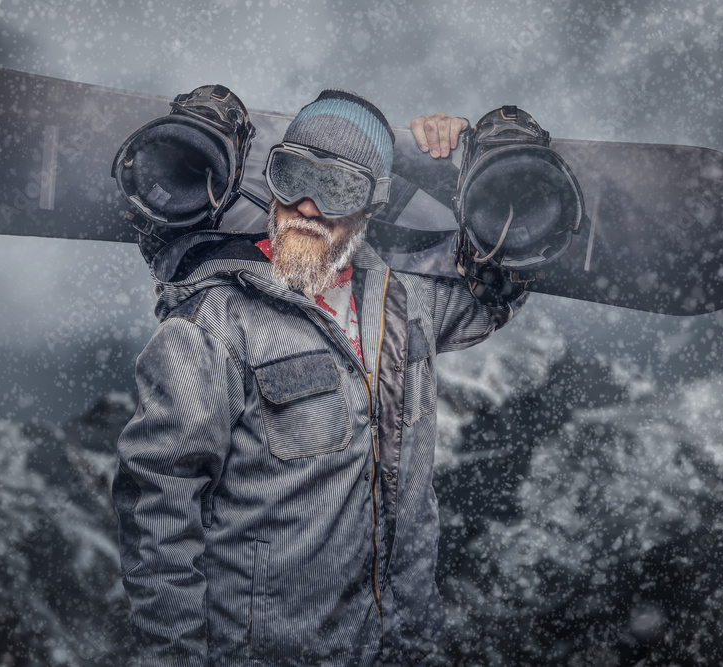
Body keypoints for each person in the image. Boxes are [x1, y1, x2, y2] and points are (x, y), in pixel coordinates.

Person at [113, 89, 528, 666]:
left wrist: (486, 155)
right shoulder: (212, 325)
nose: (307, 205)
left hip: (402, 648)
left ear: (370, 206)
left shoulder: (407, 304)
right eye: (294, 176)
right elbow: (158, 518)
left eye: (336, 188)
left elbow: (496, 289)